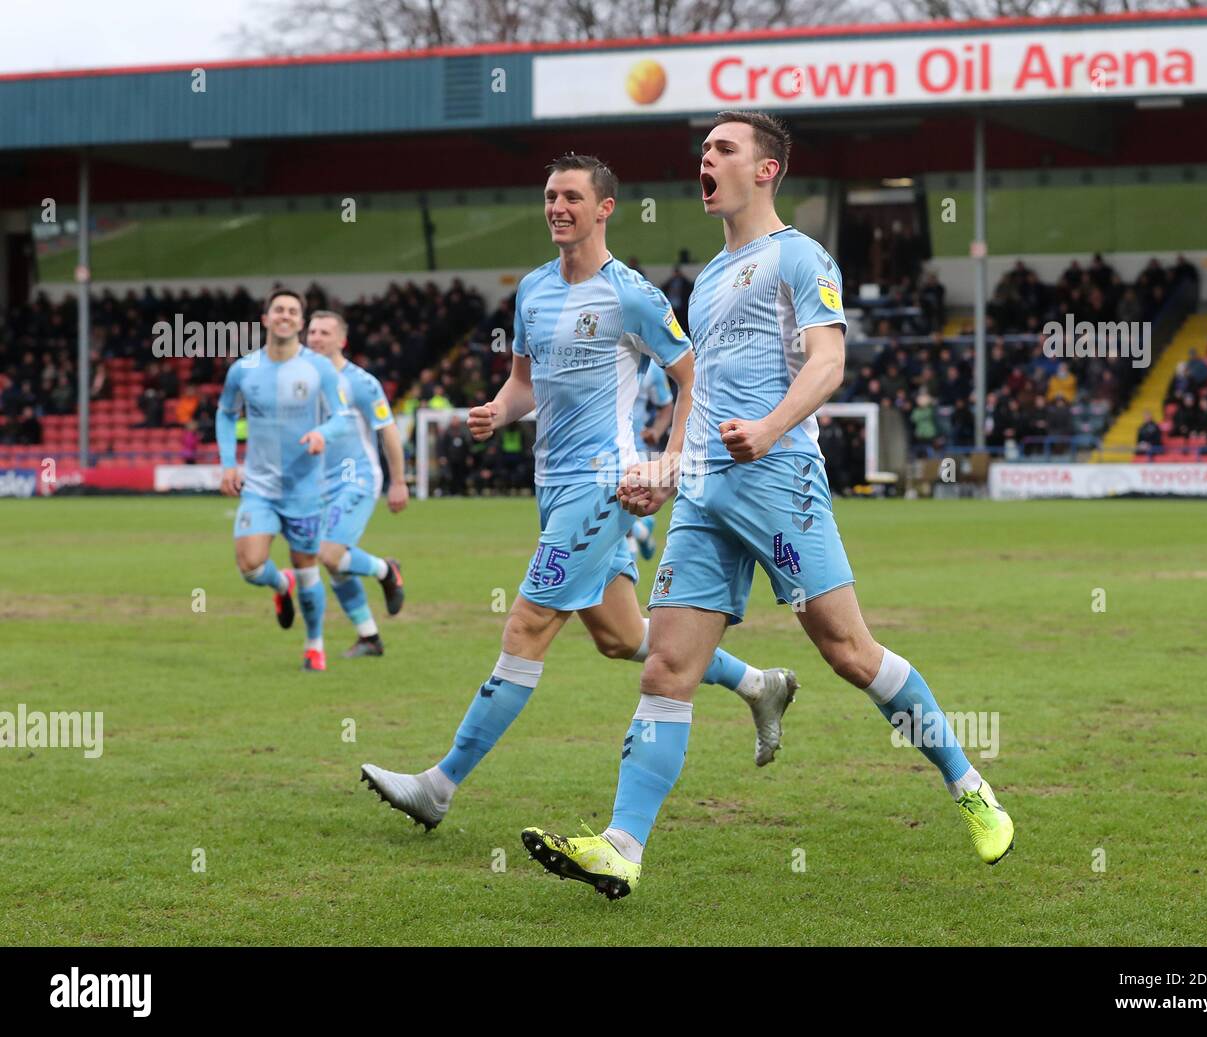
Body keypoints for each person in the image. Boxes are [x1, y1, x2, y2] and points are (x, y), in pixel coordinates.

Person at [522, 112, 1014, 901]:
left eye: (723, 148)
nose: (705, 159)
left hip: (780, 477)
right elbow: (702, 392)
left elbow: (830, 362)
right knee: (665, 663)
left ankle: (967, 783)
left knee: (850, 652)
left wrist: (771, 426)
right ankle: (621, 846)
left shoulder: (800, 256)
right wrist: (671, 466)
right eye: (704, 148)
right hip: (707, 494)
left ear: (766, 170)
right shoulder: (708, 279)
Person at [359, 153, 799, 835]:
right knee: (625, 639)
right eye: (548, 196)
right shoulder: (532, 289)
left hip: (601, 485)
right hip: (552, 485)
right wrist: (498, 411)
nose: (556, 207)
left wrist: (670, 463)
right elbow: (524, 384)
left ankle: (439, 784)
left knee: (526, 625)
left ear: (604, 208)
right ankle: (758, 683)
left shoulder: (631, 294)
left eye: (570, 196)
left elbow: (694, 378)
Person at [217, 289, 354, 671]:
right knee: (249, 565)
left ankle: (315, 644)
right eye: (278, 309)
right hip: (259, 487)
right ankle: (281, 585)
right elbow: (226, 413)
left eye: (293, 311)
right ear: (266, 318)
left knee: (307, 565)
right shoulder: (243, 370)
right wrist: (229, 463)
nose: (285, 315)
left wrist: (322, 433)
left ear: (301, 322)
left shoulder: (319, 369)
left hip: (305, 489)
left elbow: (343, 417)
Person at [306, 310, 409, 658]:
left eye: (324, 332)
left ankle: (386, 570)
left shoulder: (361, 383)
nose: (316, 337)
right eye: (313, 331)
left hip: (356, 478)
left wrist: (399, 481)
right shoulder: (301, 382)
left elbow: (388, 431)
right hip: (316, 485)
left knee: (329, 553)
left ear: (341, 340)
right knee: (333, 562)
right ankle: (369, 637)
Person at [626, 360, 674, 560]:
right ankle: (642, 532)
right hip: (602, 451)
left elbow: (666, 406)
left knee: (620, 523)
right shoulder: (600, 353)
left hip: (637, 452)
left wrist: (656, 431)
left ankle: (637, 534)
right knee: (616, 521)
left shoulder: (652, 367)